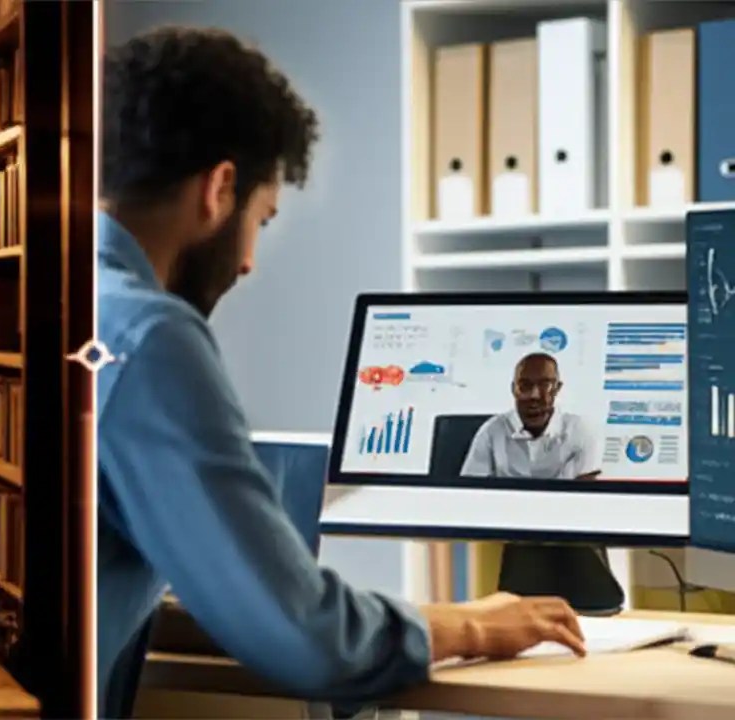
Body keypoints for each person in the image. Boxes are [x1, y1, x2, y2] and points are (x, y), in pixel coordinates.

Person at [97, 27, 586, 717]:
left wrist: (341, 468)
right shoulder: (151, 335)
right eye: (261, 222)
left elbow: (146, 473)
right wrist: (472, 623)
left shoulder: (65, 296)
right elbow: (306, 636)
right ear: (220, 189)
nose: (247, 264)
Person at [460, 353, 602, 480]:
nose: (534, 395)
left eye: (545, 385)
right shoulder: (492, 431)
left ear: (557, 389)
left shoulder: (580, 431)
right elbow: (469, 490)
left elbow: (587, 495)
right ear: (513, 390)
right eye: (524, 386)